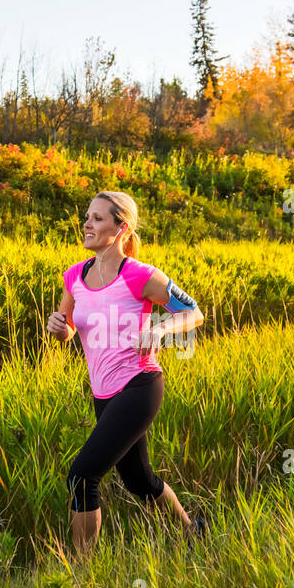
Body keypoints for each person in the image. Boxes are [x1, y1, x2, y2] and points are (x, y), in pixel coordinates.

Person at [46, 190, 208, 555]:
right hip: (102, 393)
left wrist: (161, 329)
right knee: (139, 480)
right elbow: (69, 327)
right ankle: (191, 533)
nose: (87, 223)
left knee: (81, 475)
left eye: (98, 218)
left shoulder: (141, 275)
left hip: (139, 386)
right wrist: (61, 328)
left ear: (122, 227)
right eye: (87, 216)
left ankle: (81, 574)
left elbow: (194, 312)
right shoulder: (74, 276)